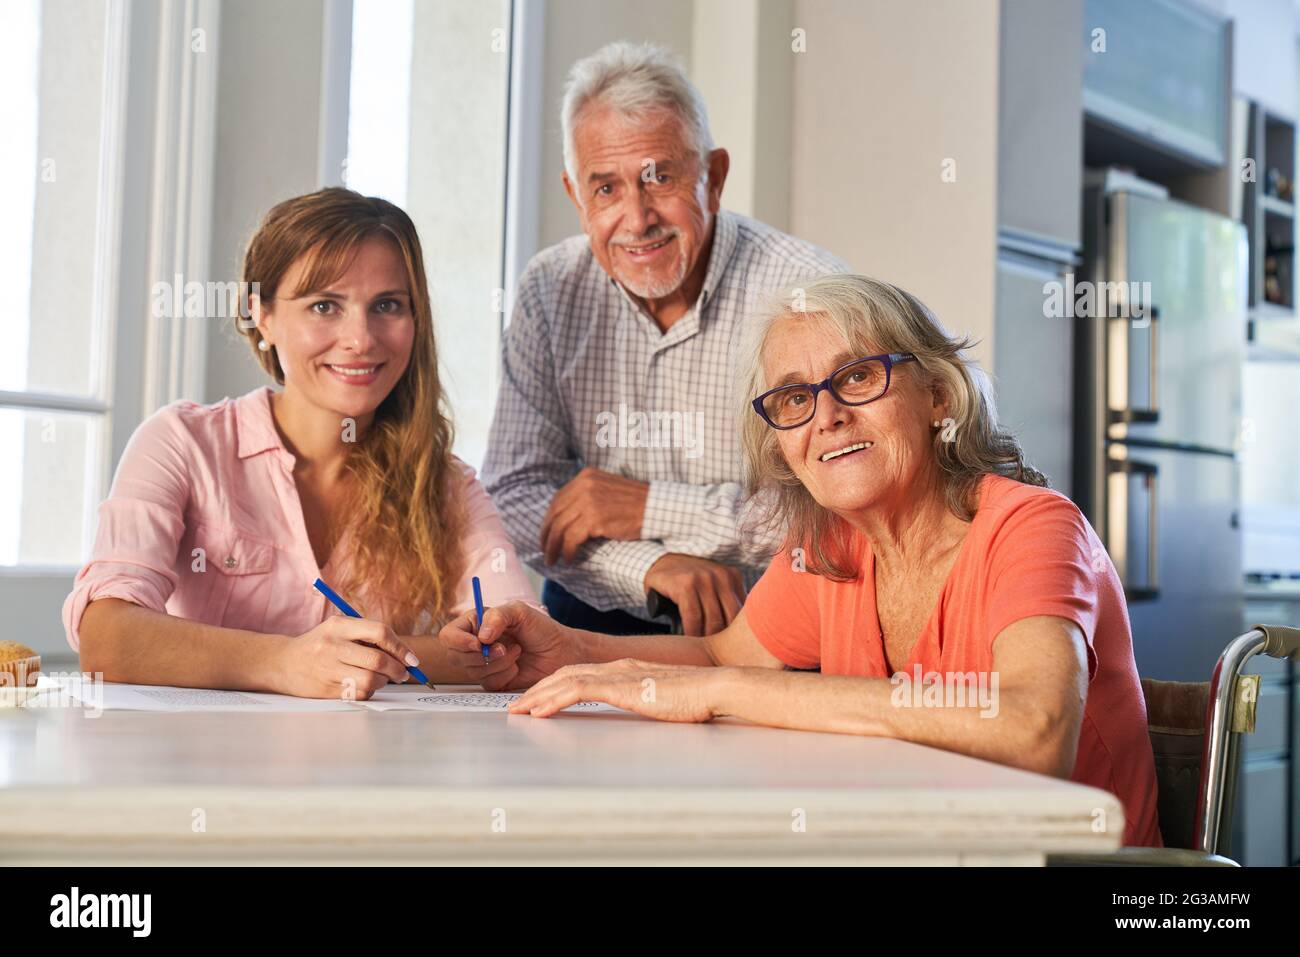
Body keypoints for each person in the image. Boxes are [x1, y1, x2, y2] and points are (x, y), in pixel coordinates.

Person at [444, 274, 1163, 847]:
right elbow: (728, 658)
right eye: (794, 397)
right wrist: (571, 651)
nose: (825, 416)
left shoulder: (1033, 526)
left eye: (856, 378)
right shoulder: (831, 546)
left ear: (939, 395)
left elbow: (1034, 732)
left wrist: (726, 695)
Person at [64, 188, 537, 698]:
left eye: (387, 305)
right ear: (260, 314)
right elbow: (107, 638)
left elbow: (516, 646)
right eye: (324, 306)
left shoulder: (444, 483)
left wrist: (354, 657)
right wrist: (287, 661)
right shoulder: (182, 444)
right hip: (200, 766)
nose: (361, 339)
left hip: (374, 771)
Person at [483, 41, 849, 636]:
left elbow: (845, 503)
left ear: (716, 177)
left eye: (660, 179)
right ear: (576, 197)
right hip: (595, 614)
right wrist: (647, 564)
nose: (637, 217)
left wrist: (650, 507)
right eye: (605, 189)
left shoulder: (807, 291)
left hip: (779, 625)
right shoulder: (549, 288)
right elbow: (516, 496)